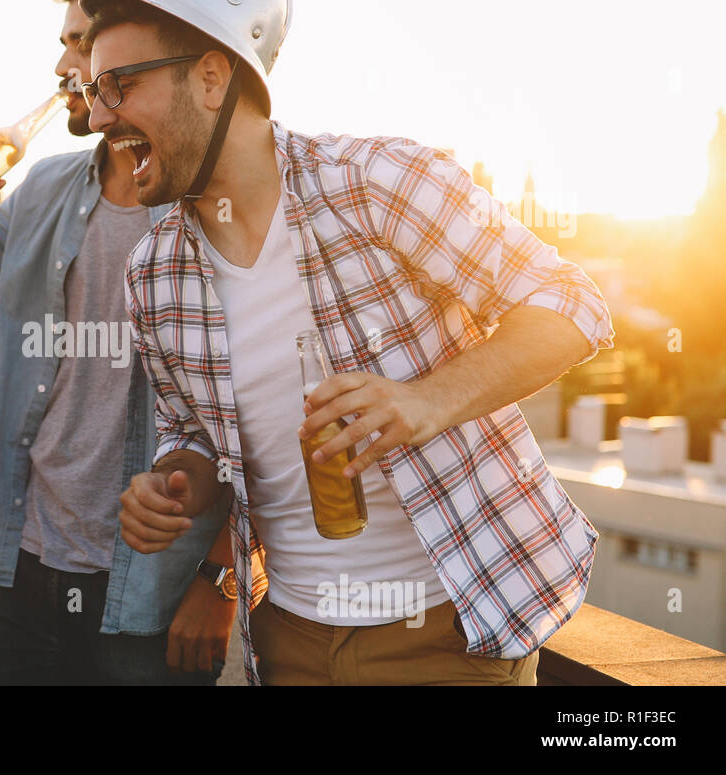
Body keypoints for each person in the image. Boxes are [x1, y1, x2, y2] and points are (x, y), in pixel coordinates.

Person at [85, 0, 615, 685]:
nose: (97, 118)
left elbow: (571, 304)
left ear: (212, 77)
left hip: (447, 635)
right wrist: (171, 483)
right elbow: (189, 431)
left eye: (117, 86)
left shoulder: (378, 182)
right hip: (286, 639)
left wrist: (426, 401)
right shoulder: (151, 274)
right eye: (90, 93)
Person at [0, 0, 233, 685]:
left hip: (152, 592)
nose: (66, 67)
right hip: (14, 568)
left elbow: (263, 415)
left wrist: (223, 580)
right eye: (65, 46)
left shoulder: (216, 209)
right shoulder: (39, 189)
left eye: (81, 46)